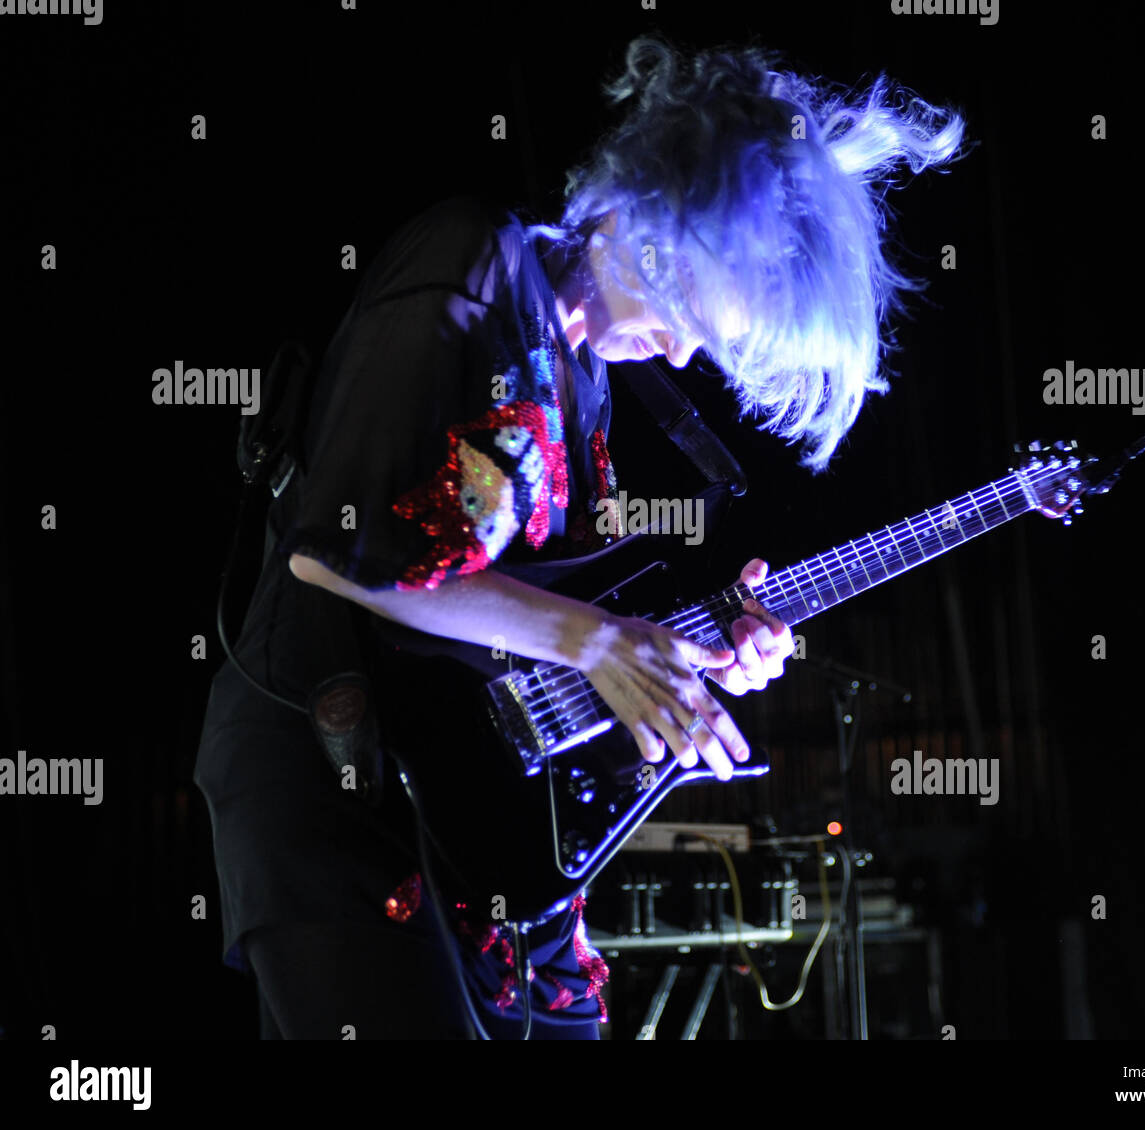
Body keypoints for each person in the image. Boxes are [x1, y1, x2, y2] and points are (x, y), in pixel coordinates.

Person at [193, 34, 963, 1040]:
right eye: (687, 307)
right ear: (642, 212)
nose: (686, 349)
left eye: (711, 339)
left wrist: (688, 651)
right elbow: (333, 548)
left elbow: (507, 612)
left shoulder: (584, 376)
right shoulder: (468, 260)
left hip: (465, 813)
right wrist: (598, 642)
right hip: (337, 783)